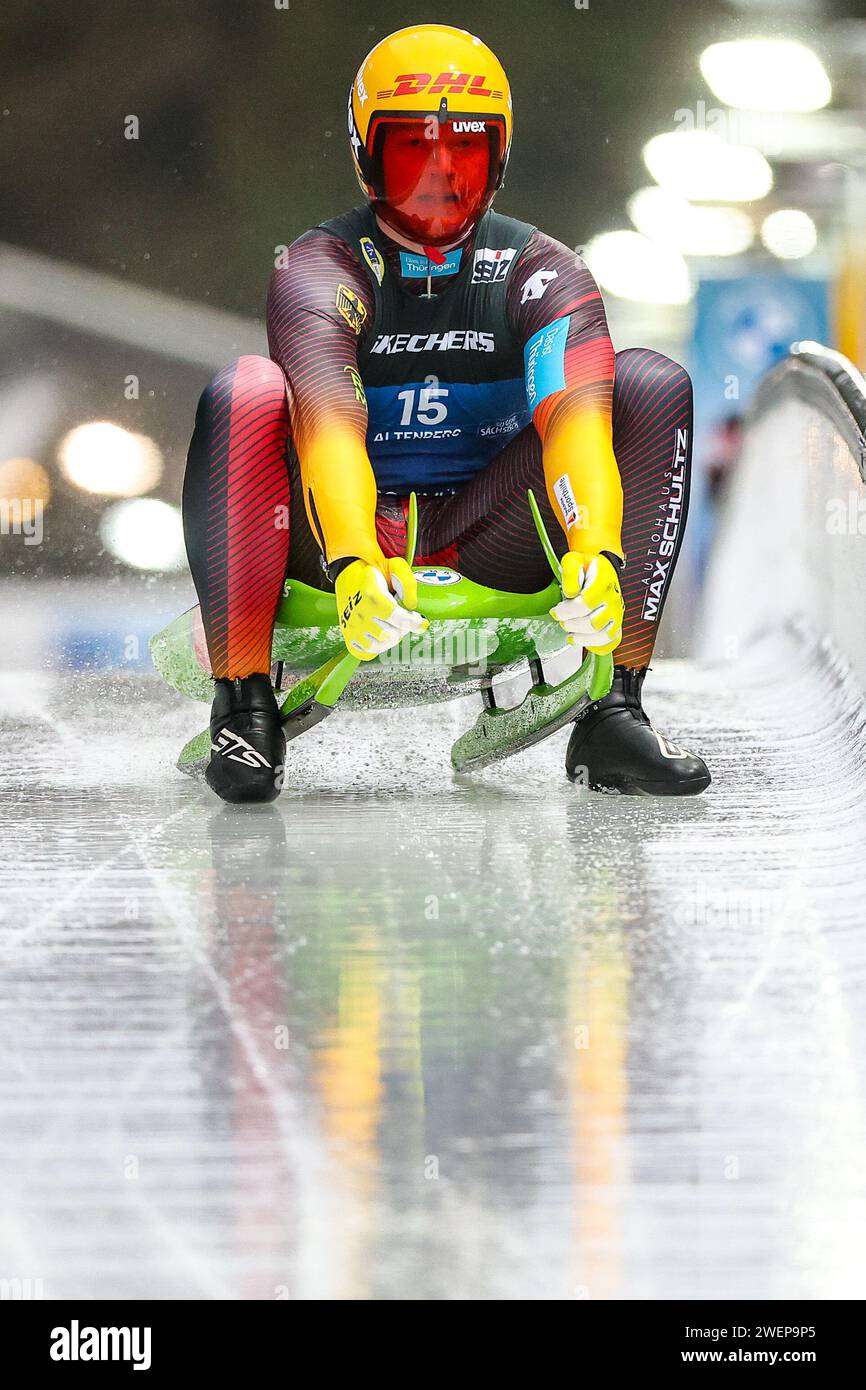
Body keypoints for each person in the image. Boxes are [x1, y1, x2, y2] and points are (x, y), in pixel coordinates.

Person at [182, 22, 711, 803]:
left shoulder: (542, 271)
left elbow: (577, 427)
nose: (436, 176)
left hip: (487, 533)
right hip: (341, 541)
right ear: (367, 158)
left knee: (649, 382)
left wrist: (597, 549)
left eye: (460, 149)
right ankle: (244, 701)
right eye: (410, 151)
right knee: (248, 391)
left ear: (497, 158)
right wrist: (356, 562)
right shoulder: (316, 268)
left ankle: (613, 709)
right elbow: (327, 427)